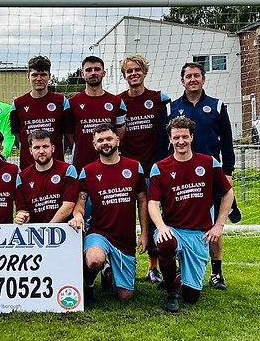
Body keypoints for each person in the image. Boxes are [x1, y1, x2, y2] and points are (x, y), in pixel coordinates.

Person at [163, 61, 240, 291]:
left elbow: (227, 142)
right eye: (188, 76)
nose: (193, 79)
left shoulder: (216, 106)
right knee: (177, 222)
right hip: (179, 178)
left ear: (203, 79)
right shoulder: (171, 108)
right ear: (182, 81)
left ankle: (216, 273)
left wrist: (228, 172)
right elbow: (163, 145)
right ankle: (177, 270)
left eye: (197, 75)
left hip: (210, 176)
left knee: (214, 223)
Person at [148, 117, 233, 312]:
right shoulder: (159, 168)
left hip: (199, 235)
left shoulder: (208, 163)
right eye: (176, 137)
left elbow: (228, 192)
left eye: (185, 136)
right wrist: (161, 227)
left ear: (192, 137)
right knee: (166, 243)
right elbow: (152, 203)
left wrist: (219, 225)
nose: (181, 141)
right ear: (170, 139)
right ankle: (171, 293)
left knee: (192, 297)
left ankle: (179, 279)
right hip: (174, 230)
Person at [68, 123, 148, 301]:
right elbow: (80, 203)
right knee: (94, 259)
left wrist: (144, 232)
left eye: (109, 139)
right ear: (94, 145)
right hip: (100, 231)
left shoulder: (135, 167)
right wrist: (78, 215)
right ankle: (87, 284)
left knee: (125, 296)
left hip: (125, 237)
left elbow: (142, 200)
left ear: (117, 140)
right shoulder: (87, 172)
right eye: (100, 140)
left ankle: (108, 271)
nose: (105, 143)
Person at [116, 54, 171, 285]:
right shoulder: (117, 102)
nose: (133, 74)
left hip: (153, 170)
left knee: (155, 217)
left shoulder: (160, 99)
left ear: (145, 72)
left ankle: (154, 267)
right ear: (124, 75)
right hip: (126, 172)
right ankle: (119, 264)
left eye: (137, 69)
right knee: (122, 218)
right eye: (129, 71)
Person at [10, 55, 72, 169]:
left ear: (49, 76)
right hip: (28, 167)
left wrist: (57, 153)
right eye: (34, 75)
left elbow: (68, 135)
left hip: (56, 166)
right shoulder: (18, 104)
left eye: (43, 74)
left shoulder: (62, 102)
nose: (39, 78)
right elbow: (17, 136)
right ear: (28, 76)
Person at [66, 56, 126, 170]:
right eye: (89, 70)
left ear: (104, 73)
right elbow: (69, 135)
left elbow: (120, 134)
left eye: (97, 69)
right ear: (82, 74)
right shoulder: (71, 103)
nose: (93, 73)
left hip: (110, 162)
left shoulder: (117, 103)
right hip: (82, 164)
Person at [14, 129, 79, 224]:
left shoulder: (68, 170)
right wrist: (22, 216)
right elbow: (22, 210)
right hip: (35, 233)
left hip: (65, 231)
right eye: (36, 147)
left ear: (52, 148)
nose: (41, 151)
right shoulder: (22, 177)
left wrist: (48, 229)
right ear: (30, 151)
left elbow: (68, 206)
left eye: (45, 146)